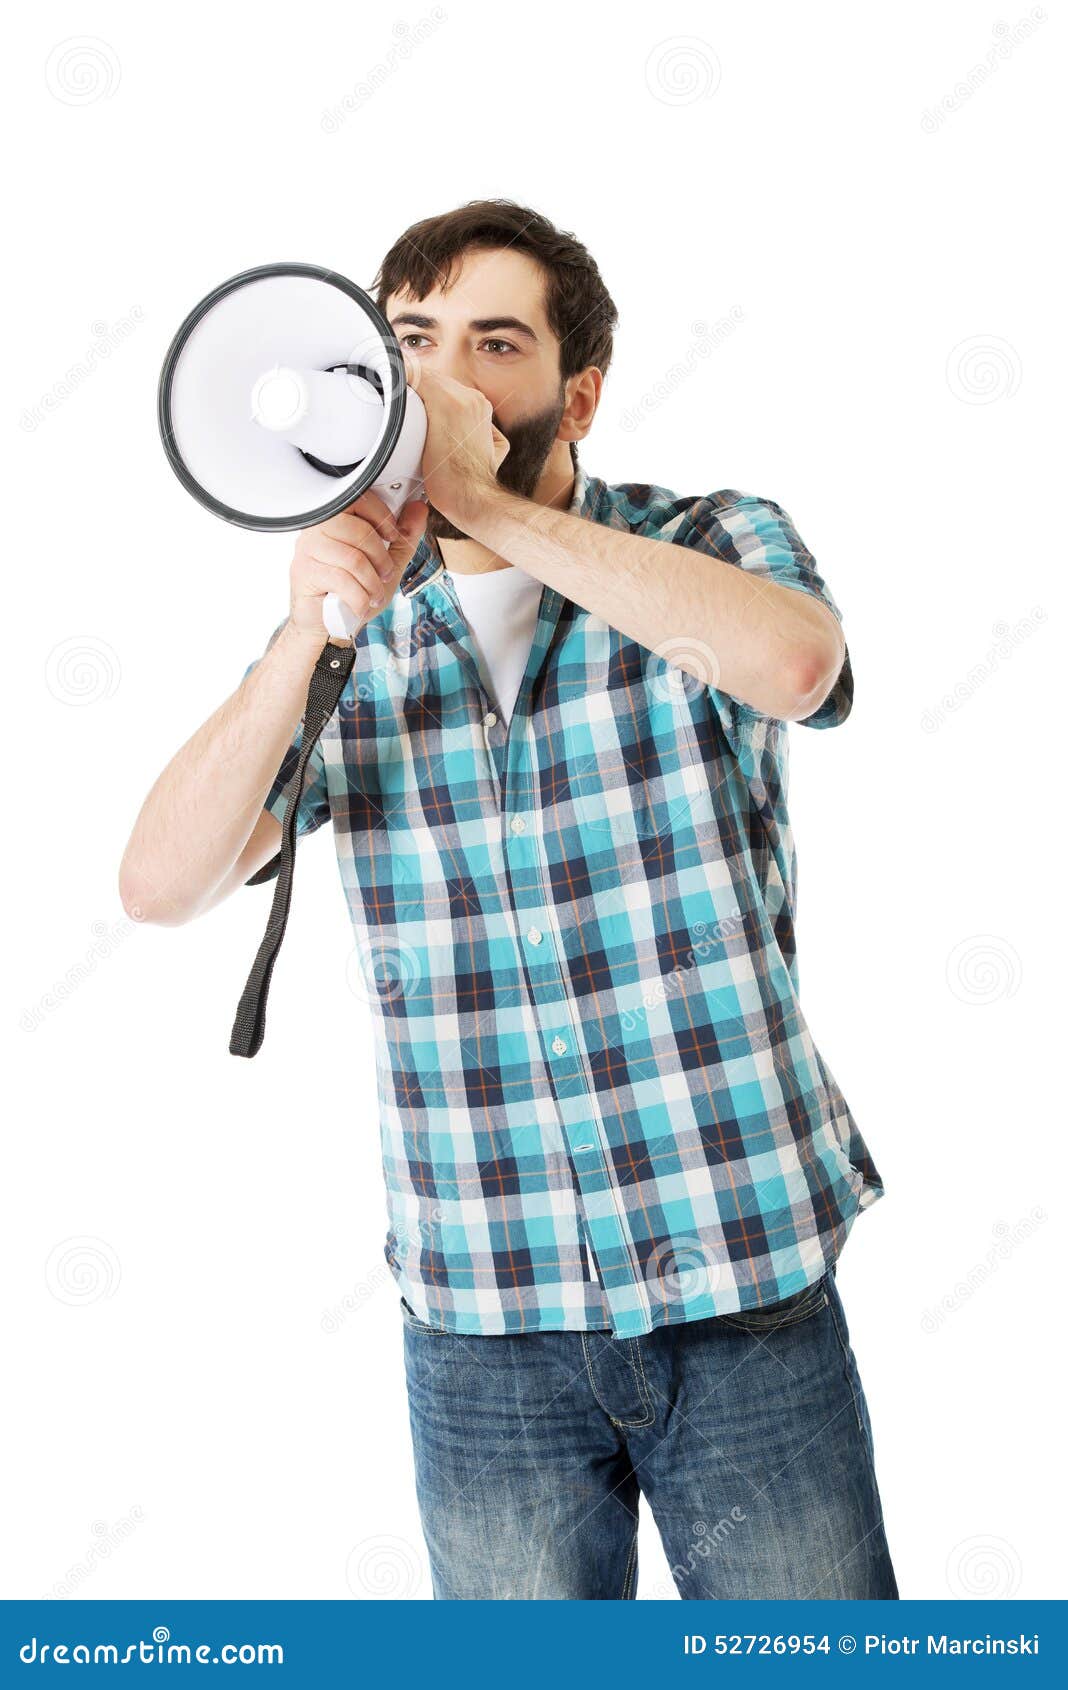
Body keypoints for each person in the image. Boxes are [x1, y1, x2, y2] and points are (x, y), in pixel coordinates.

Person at [119, 199, 898, 1601]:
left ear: (577, 393)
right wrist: (300, 634)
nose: (437, 379)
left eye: (493, 343)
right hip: (483, 1321)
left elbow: (799, 669)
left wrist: (477, 501)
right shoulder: (353, 637)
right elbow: (158, 883)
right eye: (410, 342)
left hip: (743, 1279)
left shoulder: (708, 536)